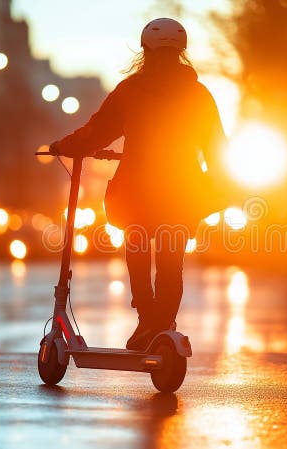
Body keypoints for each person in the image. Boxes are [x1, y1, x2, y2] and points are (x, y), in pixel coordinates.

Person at [49, 18, 226, 350]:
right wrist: (219, 187)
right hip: (182, 191)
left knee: (139, 251)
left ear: (145, 51)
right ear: (181, 54)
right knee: (172, 262)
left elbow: (97, 131)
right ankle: (160, 324)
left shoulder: (131, 91)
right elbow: (217, 148)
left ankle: (148, 320)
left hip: (137, 191)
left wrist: (64, 145)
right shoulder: (199, 95)